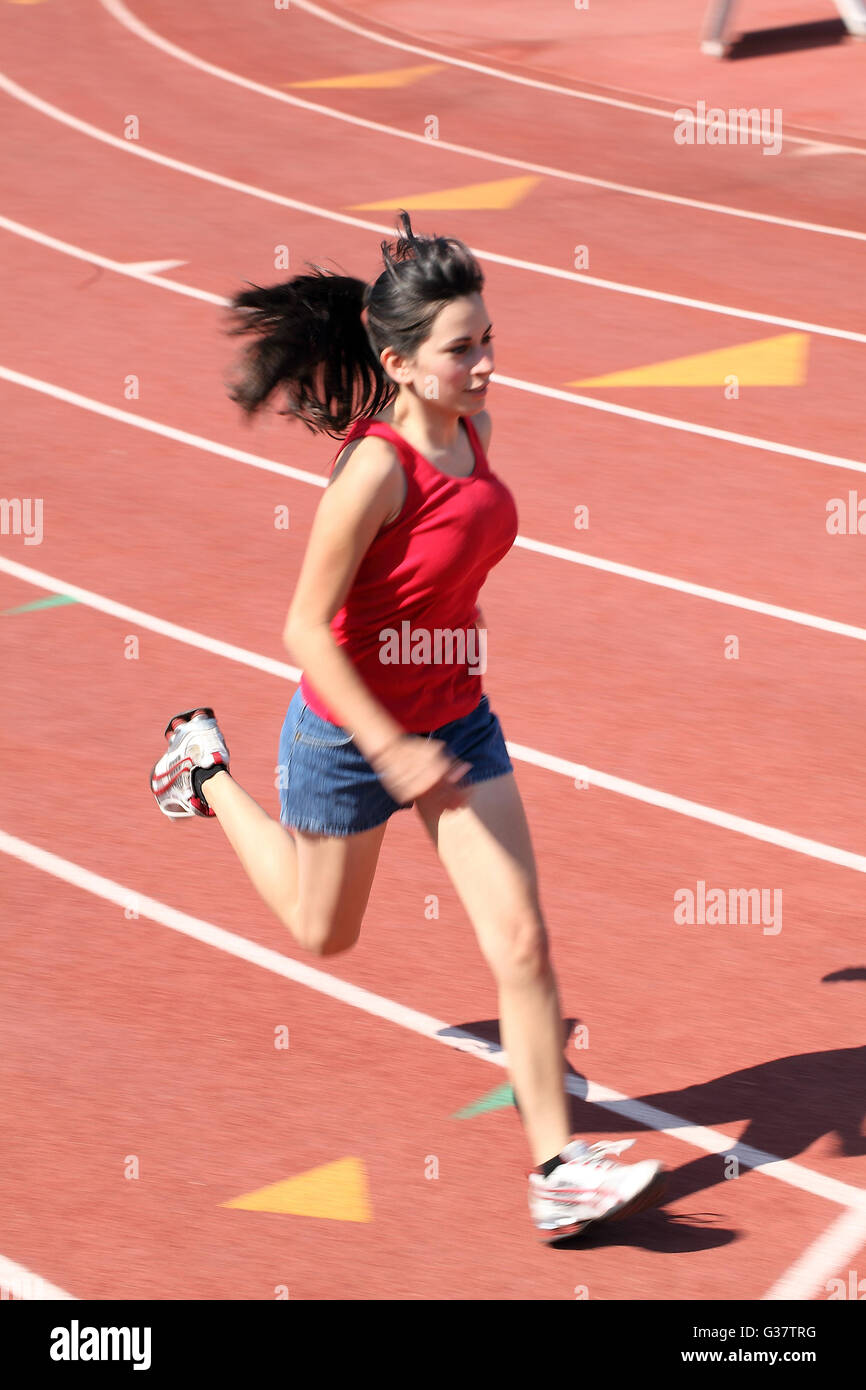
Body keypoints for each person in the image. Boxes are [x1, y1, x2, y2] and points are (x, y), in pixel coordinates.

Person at [149, 212, 665, 1242]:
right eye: (460, 349)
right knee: (321, 932)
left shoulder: (471, 427)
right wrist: (388, 747)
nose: (483, 364)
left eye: (486, 342)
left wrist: (436, 692)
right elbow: (302, 623)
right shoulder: (373, 470)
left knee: (518, 938)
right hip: (348, 737)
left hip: (457, 721)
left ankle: (558, 1170)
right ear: (398, 362)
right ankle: (202, 768)